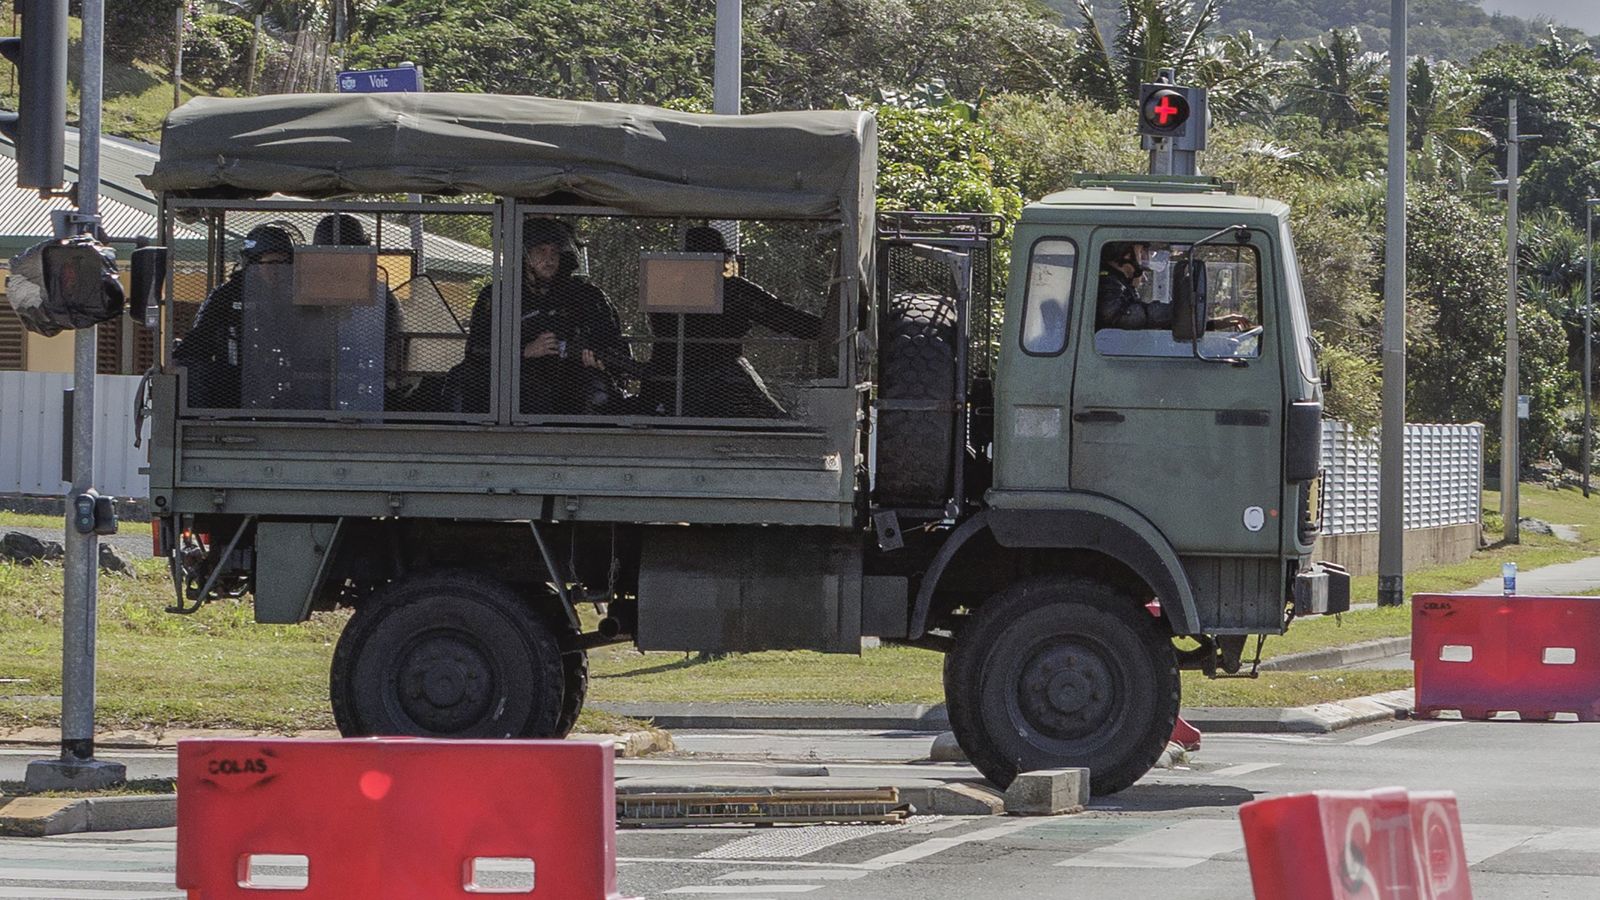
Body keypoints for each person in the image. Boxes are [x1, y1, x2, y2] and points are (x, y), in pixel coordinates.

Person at [645, 225, 822, 418]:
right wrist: (828, 329)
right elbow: (784, 317)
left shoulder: (667, 290)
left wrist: (822, 328)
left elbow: (783, 316)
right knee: (780, 424)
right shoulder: (733, 291)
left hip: (669, 382)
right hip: (719, 379)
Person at [461, 218, 629, 415]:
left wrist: (597, 362)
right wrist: (525, 351)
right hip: (516, 387)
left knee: (598, 392)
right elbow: (476, 348)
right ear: (525, 255)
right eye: (541, 250)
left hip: (570, 384)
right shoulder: (499, 295)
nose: (549, 259)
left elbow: (614, 344)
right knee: (463, 379)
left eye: (554, 252)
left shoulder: (586, 296)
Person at [173, 224, 295, 408]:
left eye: (285, 263)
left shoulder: (299, 297)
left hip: (289, 396)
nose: (279, 270)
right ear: (252, 263)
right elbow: (197, 343)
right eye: (271, 263)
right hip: (234, 399)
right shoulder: (227, 296)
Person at [1095, 241, 1170, 331]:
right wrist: (1171, 313)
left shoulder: (1120, 282)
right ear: (1126, 254)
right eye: (1142, 252)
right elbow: (1116, 314)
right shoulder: (1106, 282)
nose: (1145, 258)